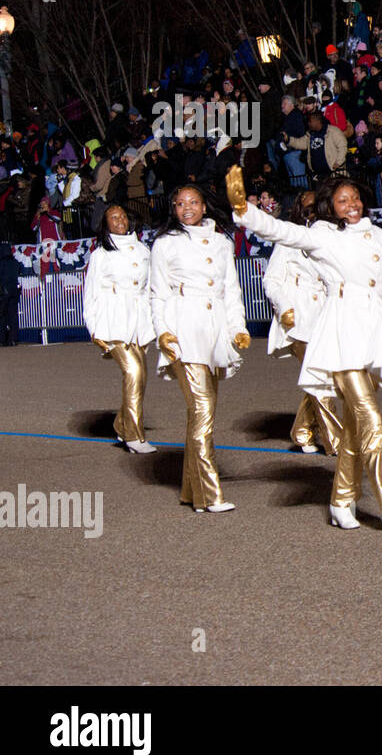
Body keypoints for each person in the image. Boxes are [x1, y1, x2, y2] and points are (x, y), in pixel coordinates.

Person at [226, 168, 382, 532]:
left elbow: (381, 294)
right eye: (342, 200)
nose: (352, 205)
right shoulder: (323, 235)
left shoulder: (380, 237)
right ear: (331, 207)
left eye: (356, 198)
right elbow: (283, 232)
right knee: (370, 418)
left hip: (372, 335)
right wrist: (245, 210)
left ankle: (340, 501)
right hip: (341, 334)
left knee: (352, 427)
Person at [149, 184, 249, 513]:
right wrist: (162, 331)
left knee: (202, 414)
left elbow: (231, 290)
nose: (187, 208)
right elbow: (158, 293)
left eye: (193, 202)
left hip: (215, 330)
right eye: (180, 203)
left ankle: (191, 491)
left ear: (204, 206)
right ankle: (210, 493)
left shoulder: (222, 242)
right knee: (202, 411)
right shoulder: (165, 244)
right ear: (173, 209)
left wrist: (238, 328)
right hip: (183, 330)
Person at [261, 189, 341, 455]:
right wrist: (284, 308)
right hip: (299, 317)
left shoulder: (329, 239)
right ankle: (336, 442)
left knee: (321, 376)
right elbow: (271, 280)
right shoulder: (288, 240)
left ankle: (302, 432)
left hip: (324, 316)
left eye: (316, 207)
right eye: (306, 208)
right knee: (320, 378)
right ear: (298, 210)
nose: (312, 212)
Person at [83, 206, 157, 454]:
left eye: (123, 216)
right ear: (106, 224)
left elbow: (148, 289)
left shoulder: (143, 250)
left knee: (141, 378)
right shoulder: (100, 255)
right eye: (114, 218)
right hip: (112, 321)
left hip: (139, 323)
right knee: (134, 372)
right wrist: (94, 329)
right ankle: (135, 437)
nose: (120, 221)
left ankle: (121, 423)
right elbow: (90, 294)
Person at [0, 244, 19, 346]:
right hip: (14, 291)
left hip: (4, 292)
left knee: (2, 316)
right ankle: (13, 339)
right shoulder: (15, 262)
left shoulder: (2, 263)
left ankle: (2, 340)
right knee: (13, 316)